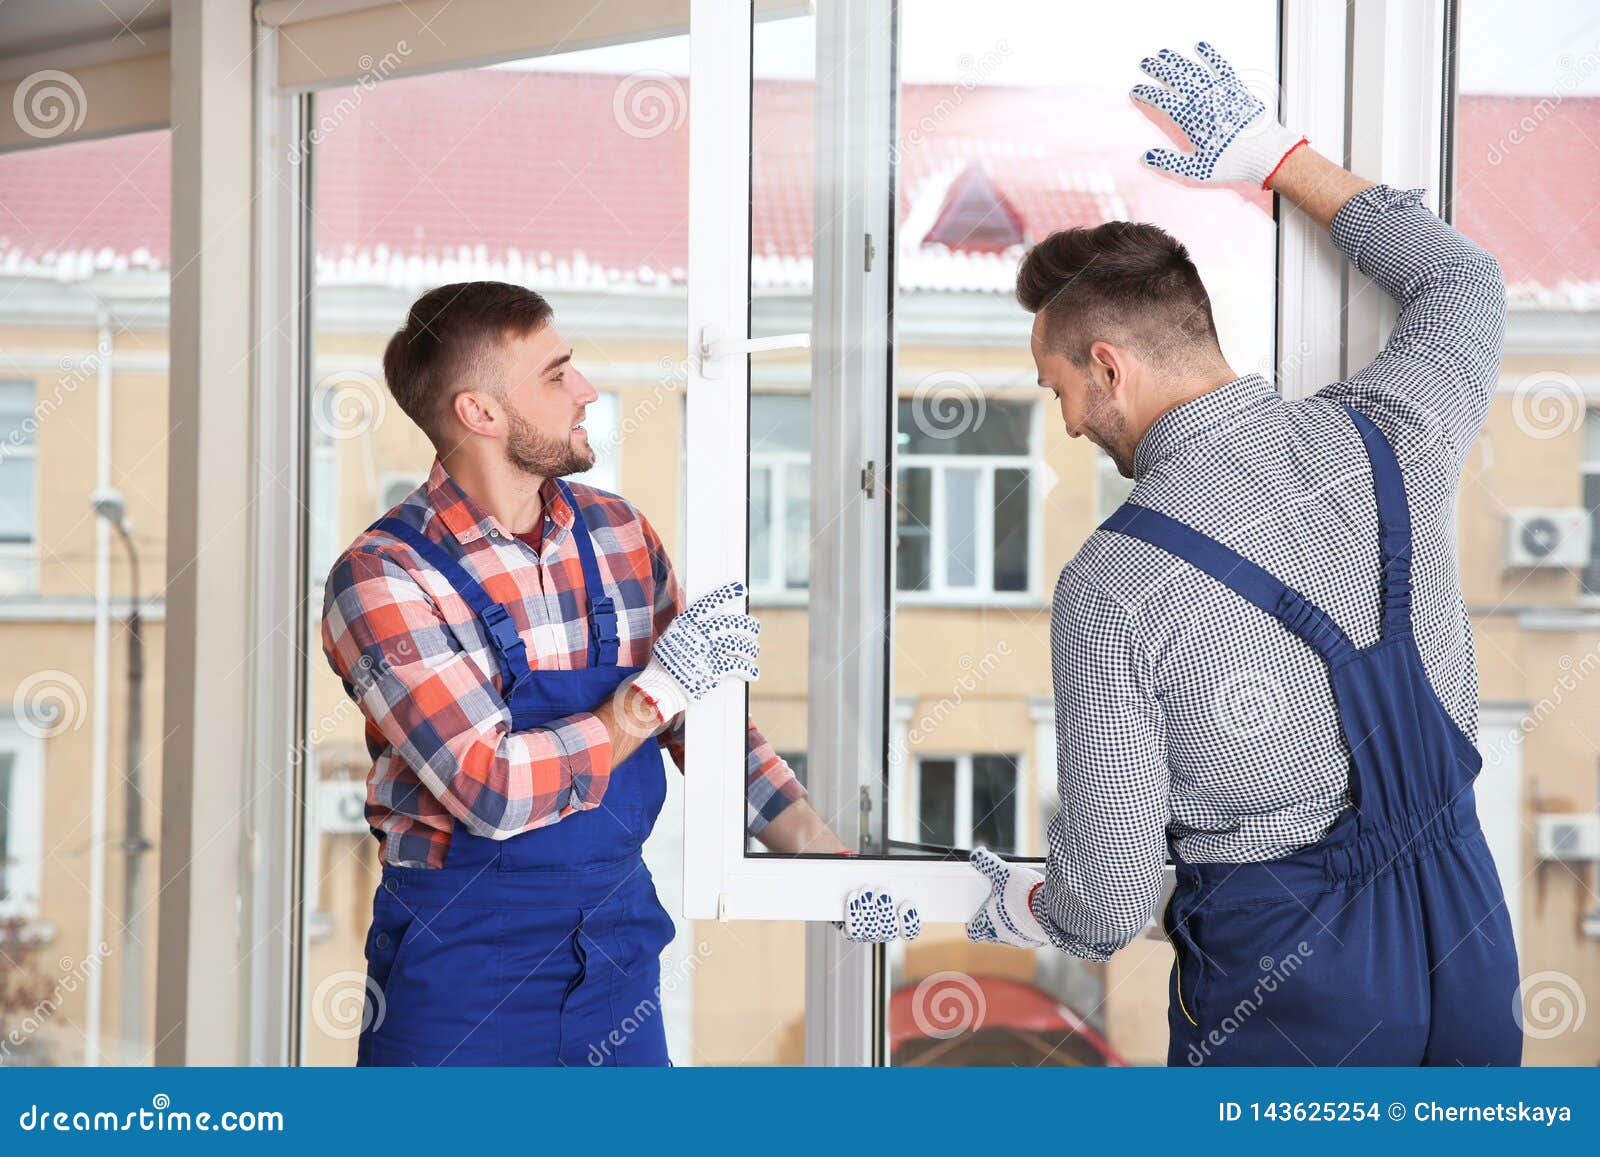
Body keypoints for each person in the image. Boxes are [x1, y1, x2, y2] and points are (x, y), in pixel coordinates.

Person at [964, 41, 1521, 1066]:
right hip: (1469, 957)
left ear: (1108, 365)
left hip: (1288, 1006)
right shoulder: (1386, 438)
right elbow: (1464, 280)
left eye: (1060, 392)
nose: (1072, 423)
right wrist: (1277, 157)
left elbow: (1112, 894)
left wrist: (1029, 902)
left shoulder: (1112, 585)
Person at [321, 282, 918, 1067]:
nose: (587, 390)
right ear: (480, 413)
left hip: (617, 953)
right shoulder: (384, 577)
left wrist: (825, 865)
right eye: (557, 373)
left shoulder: (619, 535)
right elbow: (491, 788)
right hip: (459, 967)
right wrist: (651, 697)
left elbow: (708, 734)